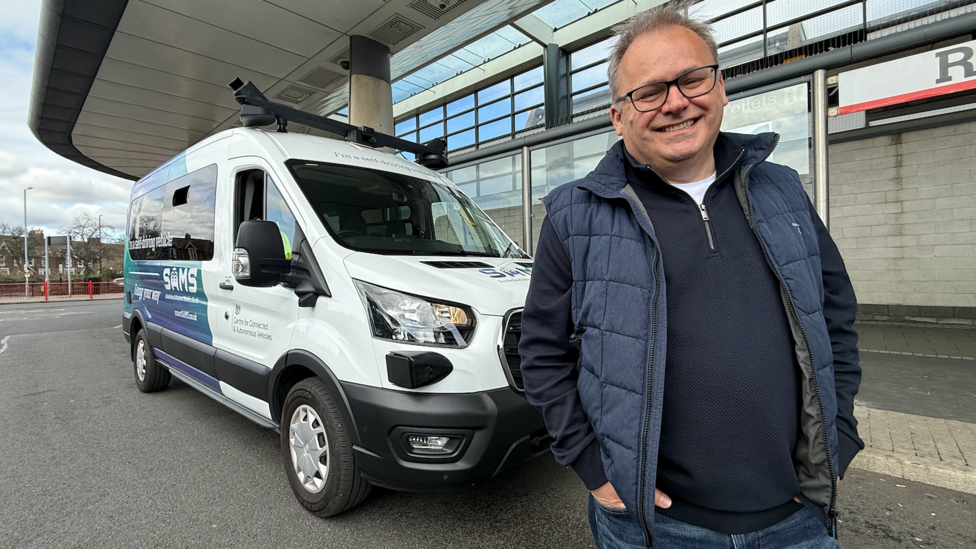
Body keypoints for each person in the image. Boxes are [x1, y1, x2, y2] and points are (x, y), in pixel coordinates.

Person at [518, 3, 863, 548]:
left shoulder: (784, 191)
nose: (676, 102)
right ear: (619, 116)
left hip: (795, 517)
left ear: (720, 86)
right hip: (652, 525)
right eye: (649, 92)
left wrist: (839, 433)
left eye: (692, 79)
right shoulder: (573, 216)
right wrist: (595, 470)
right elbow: (540, 351)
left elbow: (835, 316)